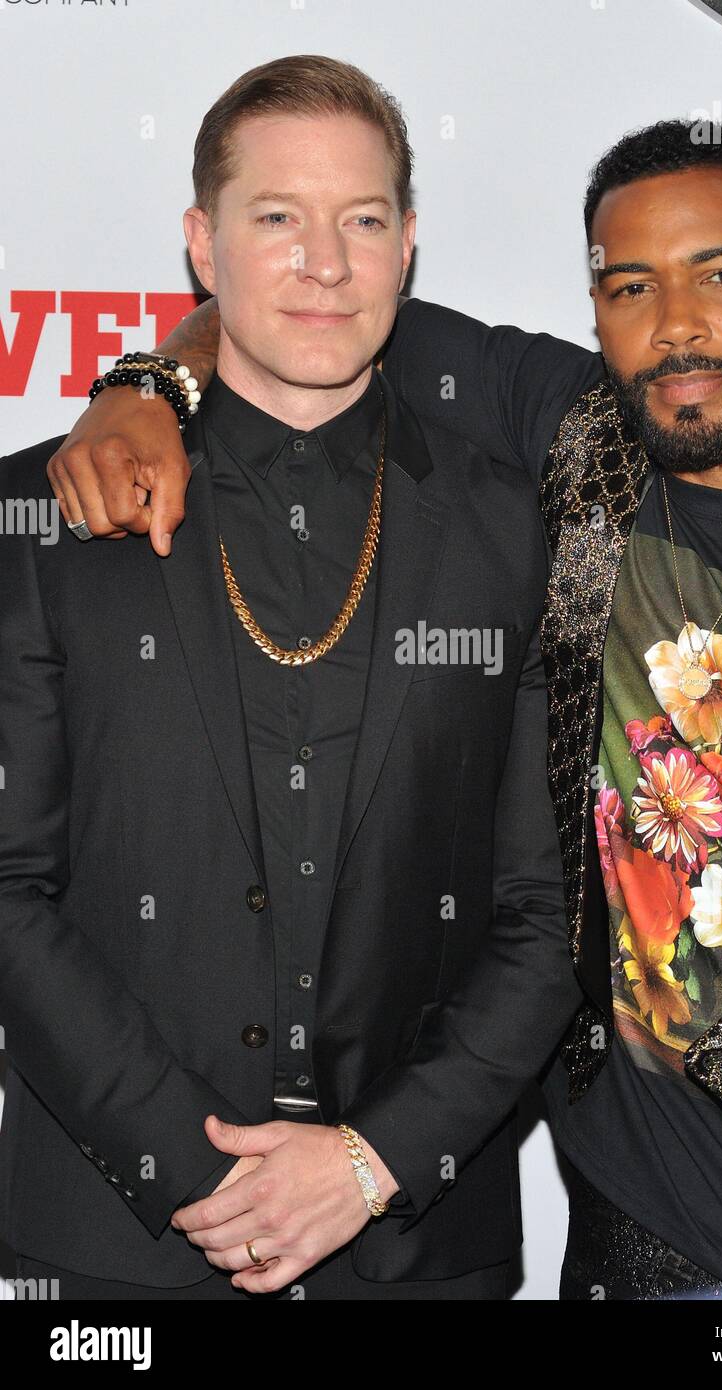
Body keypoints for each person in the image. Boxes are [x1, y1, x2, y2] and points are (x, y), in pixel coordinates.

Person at [45, 113, 722, 1299]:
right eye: (632, 286)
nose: (679, 324)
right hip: (627, 1222)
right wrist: (145, 386)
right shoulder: (578, 434)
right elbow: (298, 305)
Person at [0, 54, 584, 1301]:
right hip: (119, 1254)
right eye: (277, 219)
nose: (326, 262)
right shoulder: (44, 518)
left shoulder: (517, 527)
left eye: (362, 220)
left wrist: (372, 1163)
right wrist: (192, 1170)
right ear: (201, 247)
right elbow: (7, 886)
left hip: (420, 1250)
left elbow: (549, 911)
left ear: (410, 244)